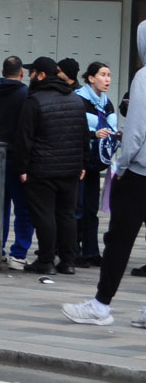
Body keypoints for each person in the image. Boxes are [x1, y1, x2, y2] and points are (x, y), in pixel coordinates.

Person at [63, 22, 146, 327]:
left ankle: (101, 305)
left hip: (139, 173)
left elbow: (137, 130)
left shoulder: (144, 77)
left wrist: (122, 165)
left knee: (119, 241)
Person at [11, 56, 89, 275]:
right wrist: (83, 162)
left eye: (33, 72)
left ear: (42, 75)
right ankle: (68, 261)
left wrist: (22, 168)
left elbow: (24, 138)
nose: (30, 76)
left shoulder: (34, 100)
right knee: (67, 215)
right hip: (71, 169)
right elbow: (83, 135)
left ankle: (46, 261)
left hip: (42, 169)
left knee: (44, 215)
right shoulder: (75, 99)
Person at [74, 61, 119, 266]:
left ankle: (91, 252)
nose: (107, 79)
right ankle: (74, 252)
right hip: (80, 159)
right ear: (91, 78)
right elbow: (73, 128)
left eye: (109, 75)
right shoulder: (78, 99)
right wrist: (94, 133)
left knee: (91, 208)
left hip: (96, 161)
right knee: (78, 207)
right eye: (103, 74)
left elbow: (111, 126)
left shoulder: (106, 102)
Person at [0, 55, 34, 265]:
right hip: (17, 158)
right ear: (22, 73)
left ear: (2, 73)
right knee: (24, 208)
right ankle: (18, 254)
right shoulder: (26, 95)